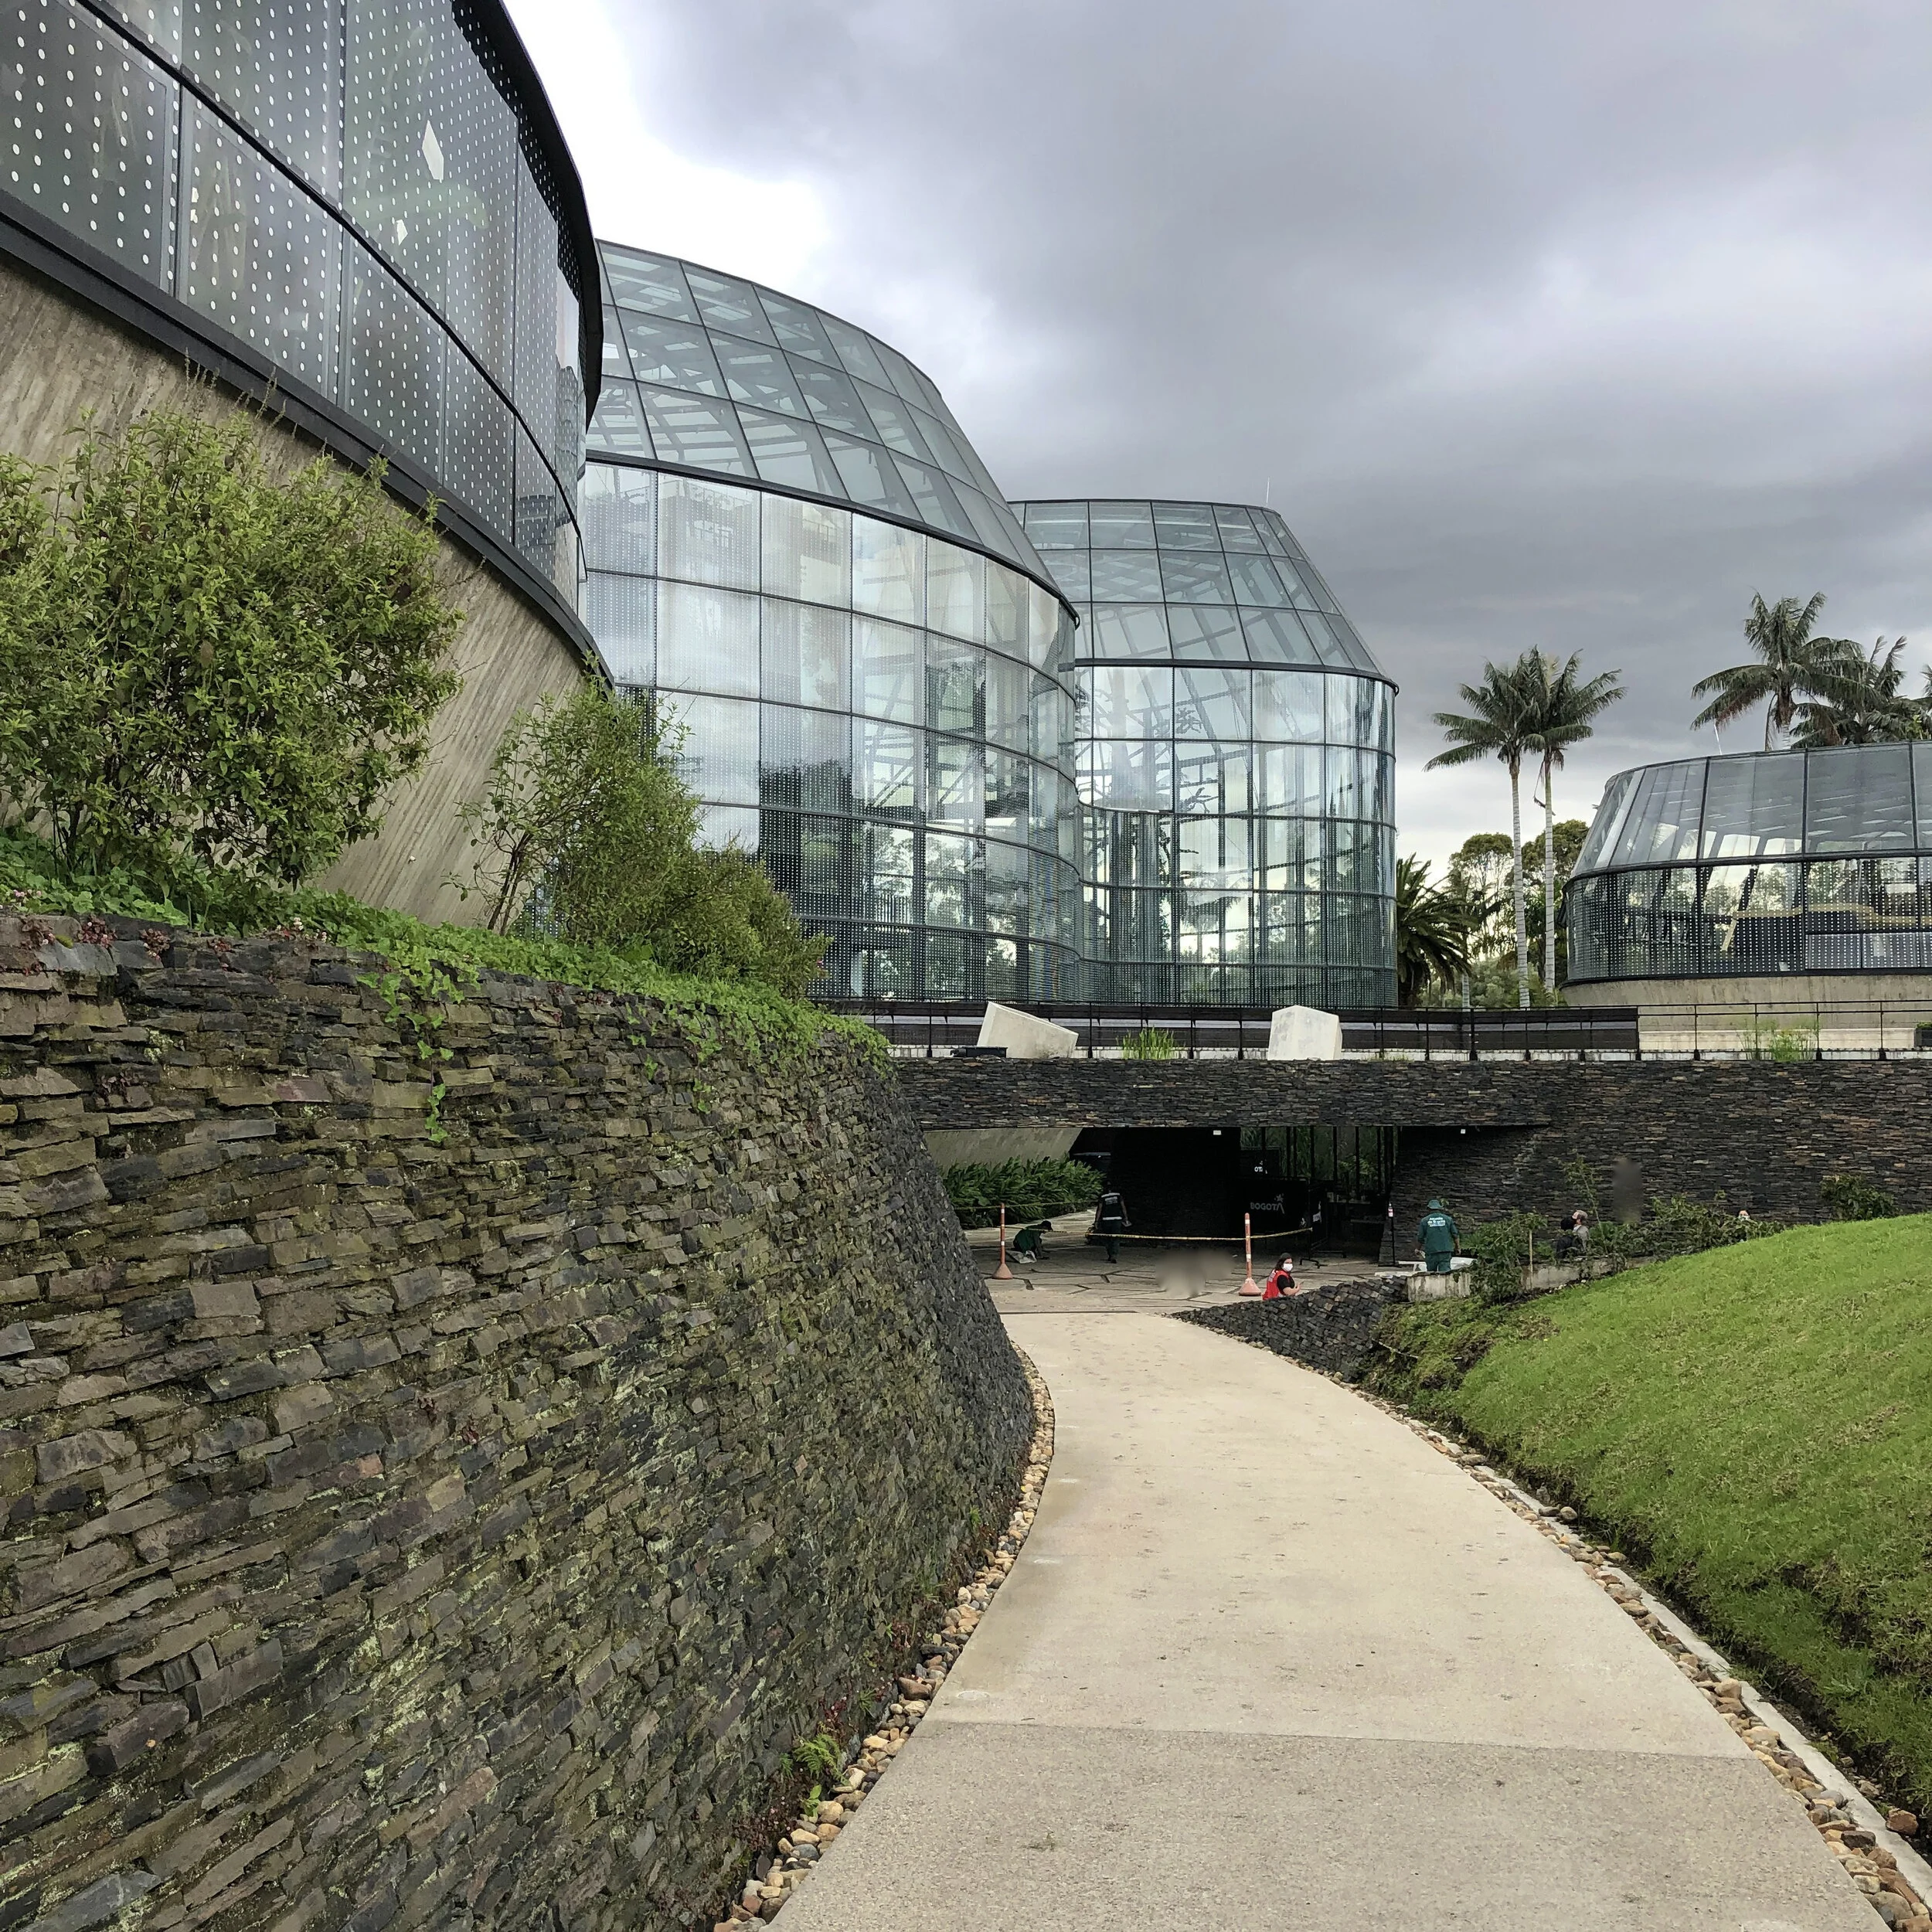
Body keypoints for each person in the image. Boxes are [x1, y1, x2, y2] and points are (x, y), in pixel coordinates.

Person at [1417, 1198, 1459, 1274]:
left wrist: (1417, 1249)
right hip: (1445, 1251)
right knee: (1445, 1274)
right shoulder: (1448, 1219)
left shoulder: (1425, 1221)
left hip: (1431, 1252)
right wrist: (1457, 1247)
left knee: (1430, 1274)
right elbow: (1455, 1235)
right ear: (1440, 1208)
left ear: (1429, 1209)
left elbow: (1420, 1238)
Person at [1093, 1189, 1130, 1264]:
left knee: (1107, 1238)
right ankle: (1114, 1254)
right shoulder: (1118, 1195)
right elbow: (1123, 1207)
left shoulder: (1103, 1197)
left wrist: (1096, 1221)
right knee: (1116, 1238)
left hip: (1106, 1220)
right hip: (1117, 1219)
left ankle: (1110, 1254)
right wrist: (1126, 1218)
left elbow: (1099, 1209)